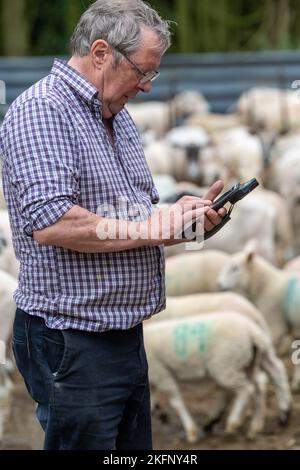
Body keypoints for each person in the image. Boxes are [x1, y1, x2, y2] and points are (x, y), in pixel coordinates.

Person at [0, 0, 226, 450]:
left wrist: (183, 222)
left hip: (121, 330)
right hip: (71, 334)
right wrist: (154, 230)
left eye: (152, 75)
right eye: (142, 72)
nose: (145, 87)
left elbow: (130, 213)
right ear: (101, 53)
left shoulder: (116, 117)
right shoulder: (43, 111)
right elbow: (53, 222)